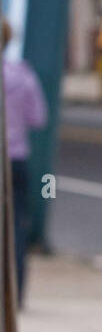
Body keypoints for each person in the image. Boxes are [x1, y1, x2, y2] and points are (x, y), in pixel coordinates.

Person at [3, 18, 50, 308]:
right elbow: (38, 118)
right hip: (15, 157)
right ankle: (15, 292)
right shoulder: (23, 75)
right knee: (16, 226)